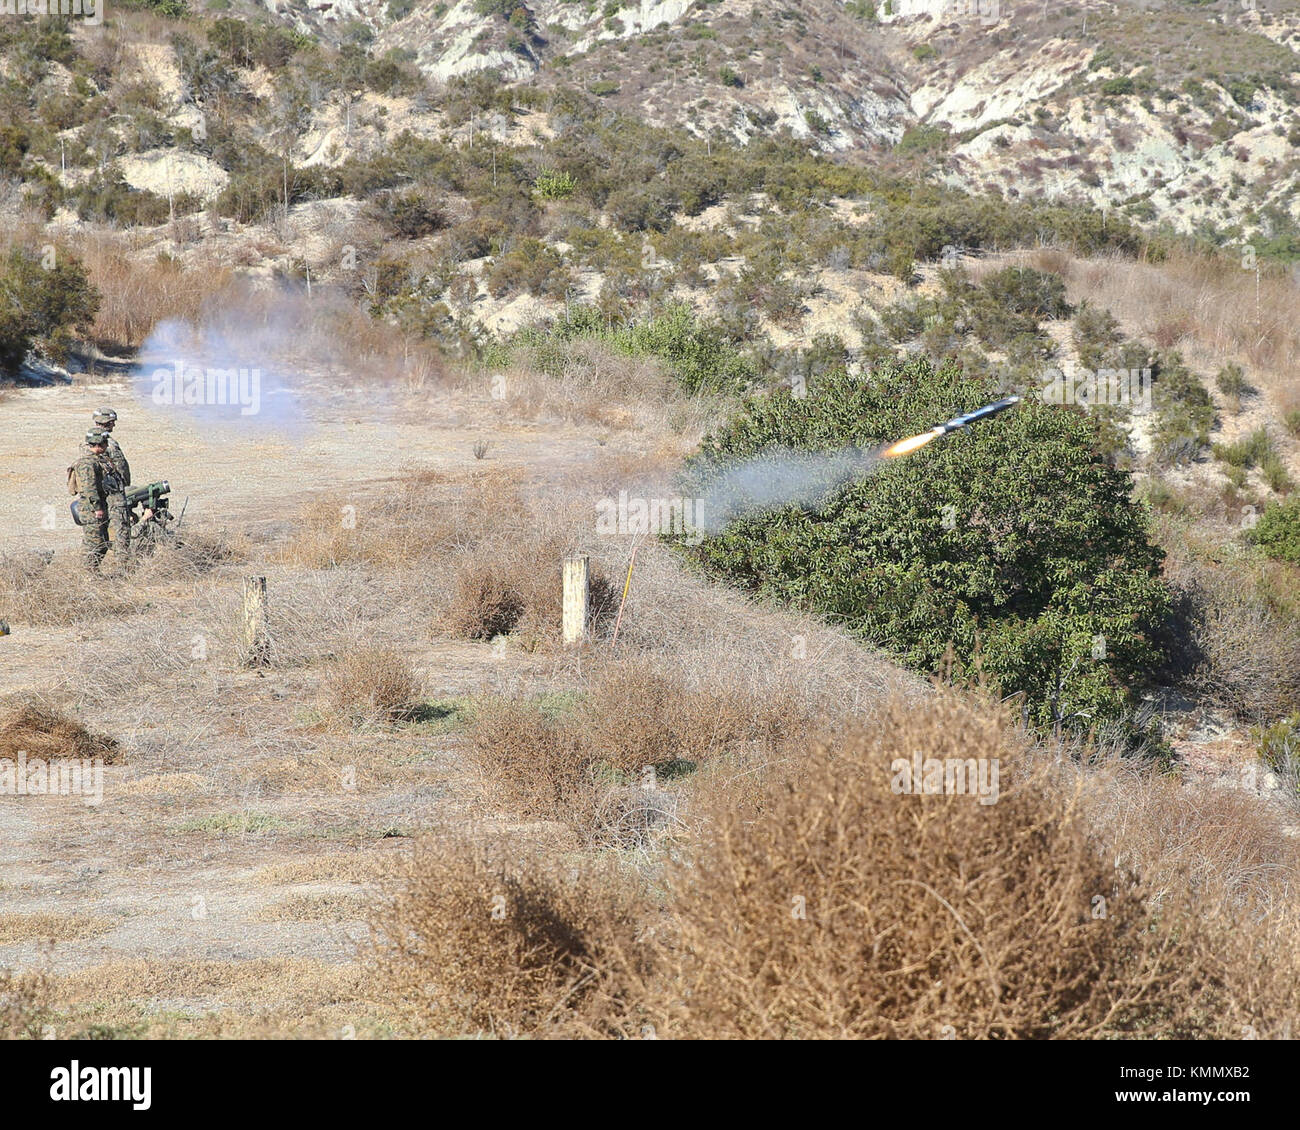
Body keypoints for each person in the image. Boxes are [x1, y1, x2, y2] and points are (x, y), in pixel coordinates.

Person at [86, 406, 132, 569]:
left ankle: (91, 568)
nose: (114, 425)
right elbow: (121, 469)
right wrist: (124, 486)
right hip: (113, 495)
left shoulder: (88, 440)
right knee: (121, 532)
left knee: (98, 535)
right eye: (112, 422)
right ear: (107, 422)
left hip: (98, 495)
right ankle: (124, 569)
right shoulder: (109, 444)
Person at [74, 430, 119, 572]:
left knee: (103, 542)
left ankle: (93, 571)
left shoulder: (99, 459)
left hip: (98, 506)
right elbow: (89, 488)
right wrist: (97, 507)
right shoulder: (87, 463)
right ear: (99, 444)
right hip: (91, 510)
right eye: (105, 443)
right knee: (93, 543)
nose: (107, 446)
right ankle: (86, 574)